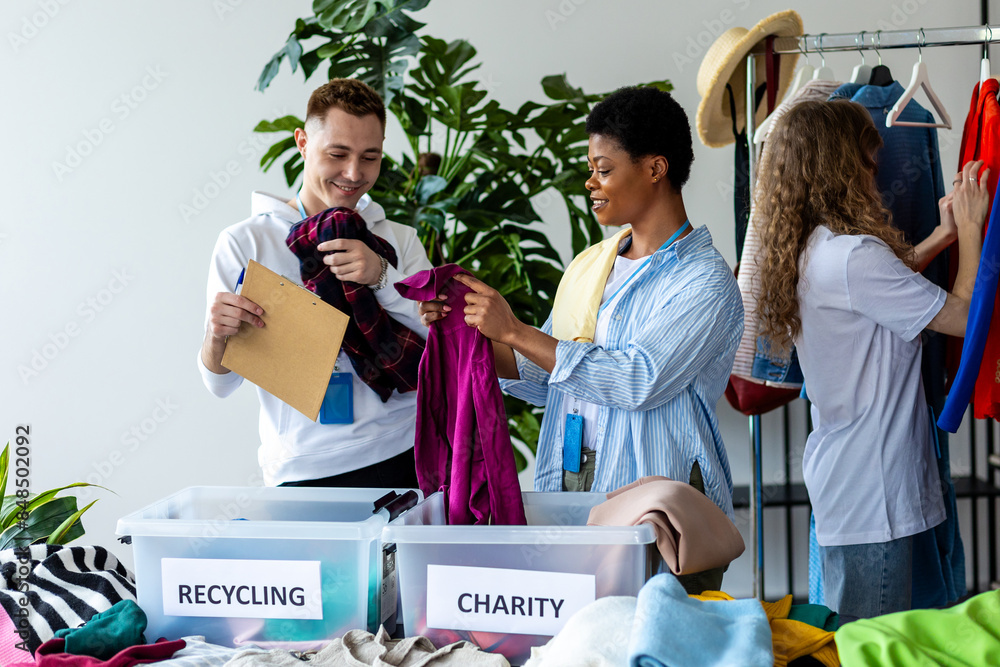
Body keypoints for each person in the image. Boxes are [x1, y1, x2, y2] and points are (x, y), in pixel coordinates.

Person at [420, 86, 743, 519]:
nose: (590, 182)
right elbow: (542, 371)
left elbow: (638, 380)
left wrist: (514, 330)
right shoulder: (593, 265)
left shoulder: (704, 281)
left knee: (656, 591)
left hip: (661, 503)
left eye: (603, 169)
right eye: (590, 168)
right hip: (574, 483)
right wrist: (471, 327)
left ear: (655, 168)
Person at [754, 99, 990, 619]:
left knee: (892, 644)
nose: (873, 175)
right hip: (873, 493)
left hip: (867, 484)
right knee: (871, 651)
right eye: (867, 163)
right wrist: (972, 231)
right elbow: (962, 317)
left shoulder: (819, 248)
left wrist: (943, 235)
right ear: (841, 166)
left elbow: (884, 283)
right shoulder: (853, 256)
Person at [198, 78, 432, 488]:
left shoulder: (398, 240)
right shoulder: (246, 243)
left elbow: (440, 341)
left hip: (404, 452)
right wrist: (216, 337)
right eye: (337, 154)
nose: (354, 173)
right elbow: (219, 385)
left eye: (370, 157)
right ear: (303, 142)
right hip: (302, 470)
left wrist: (380, 275)